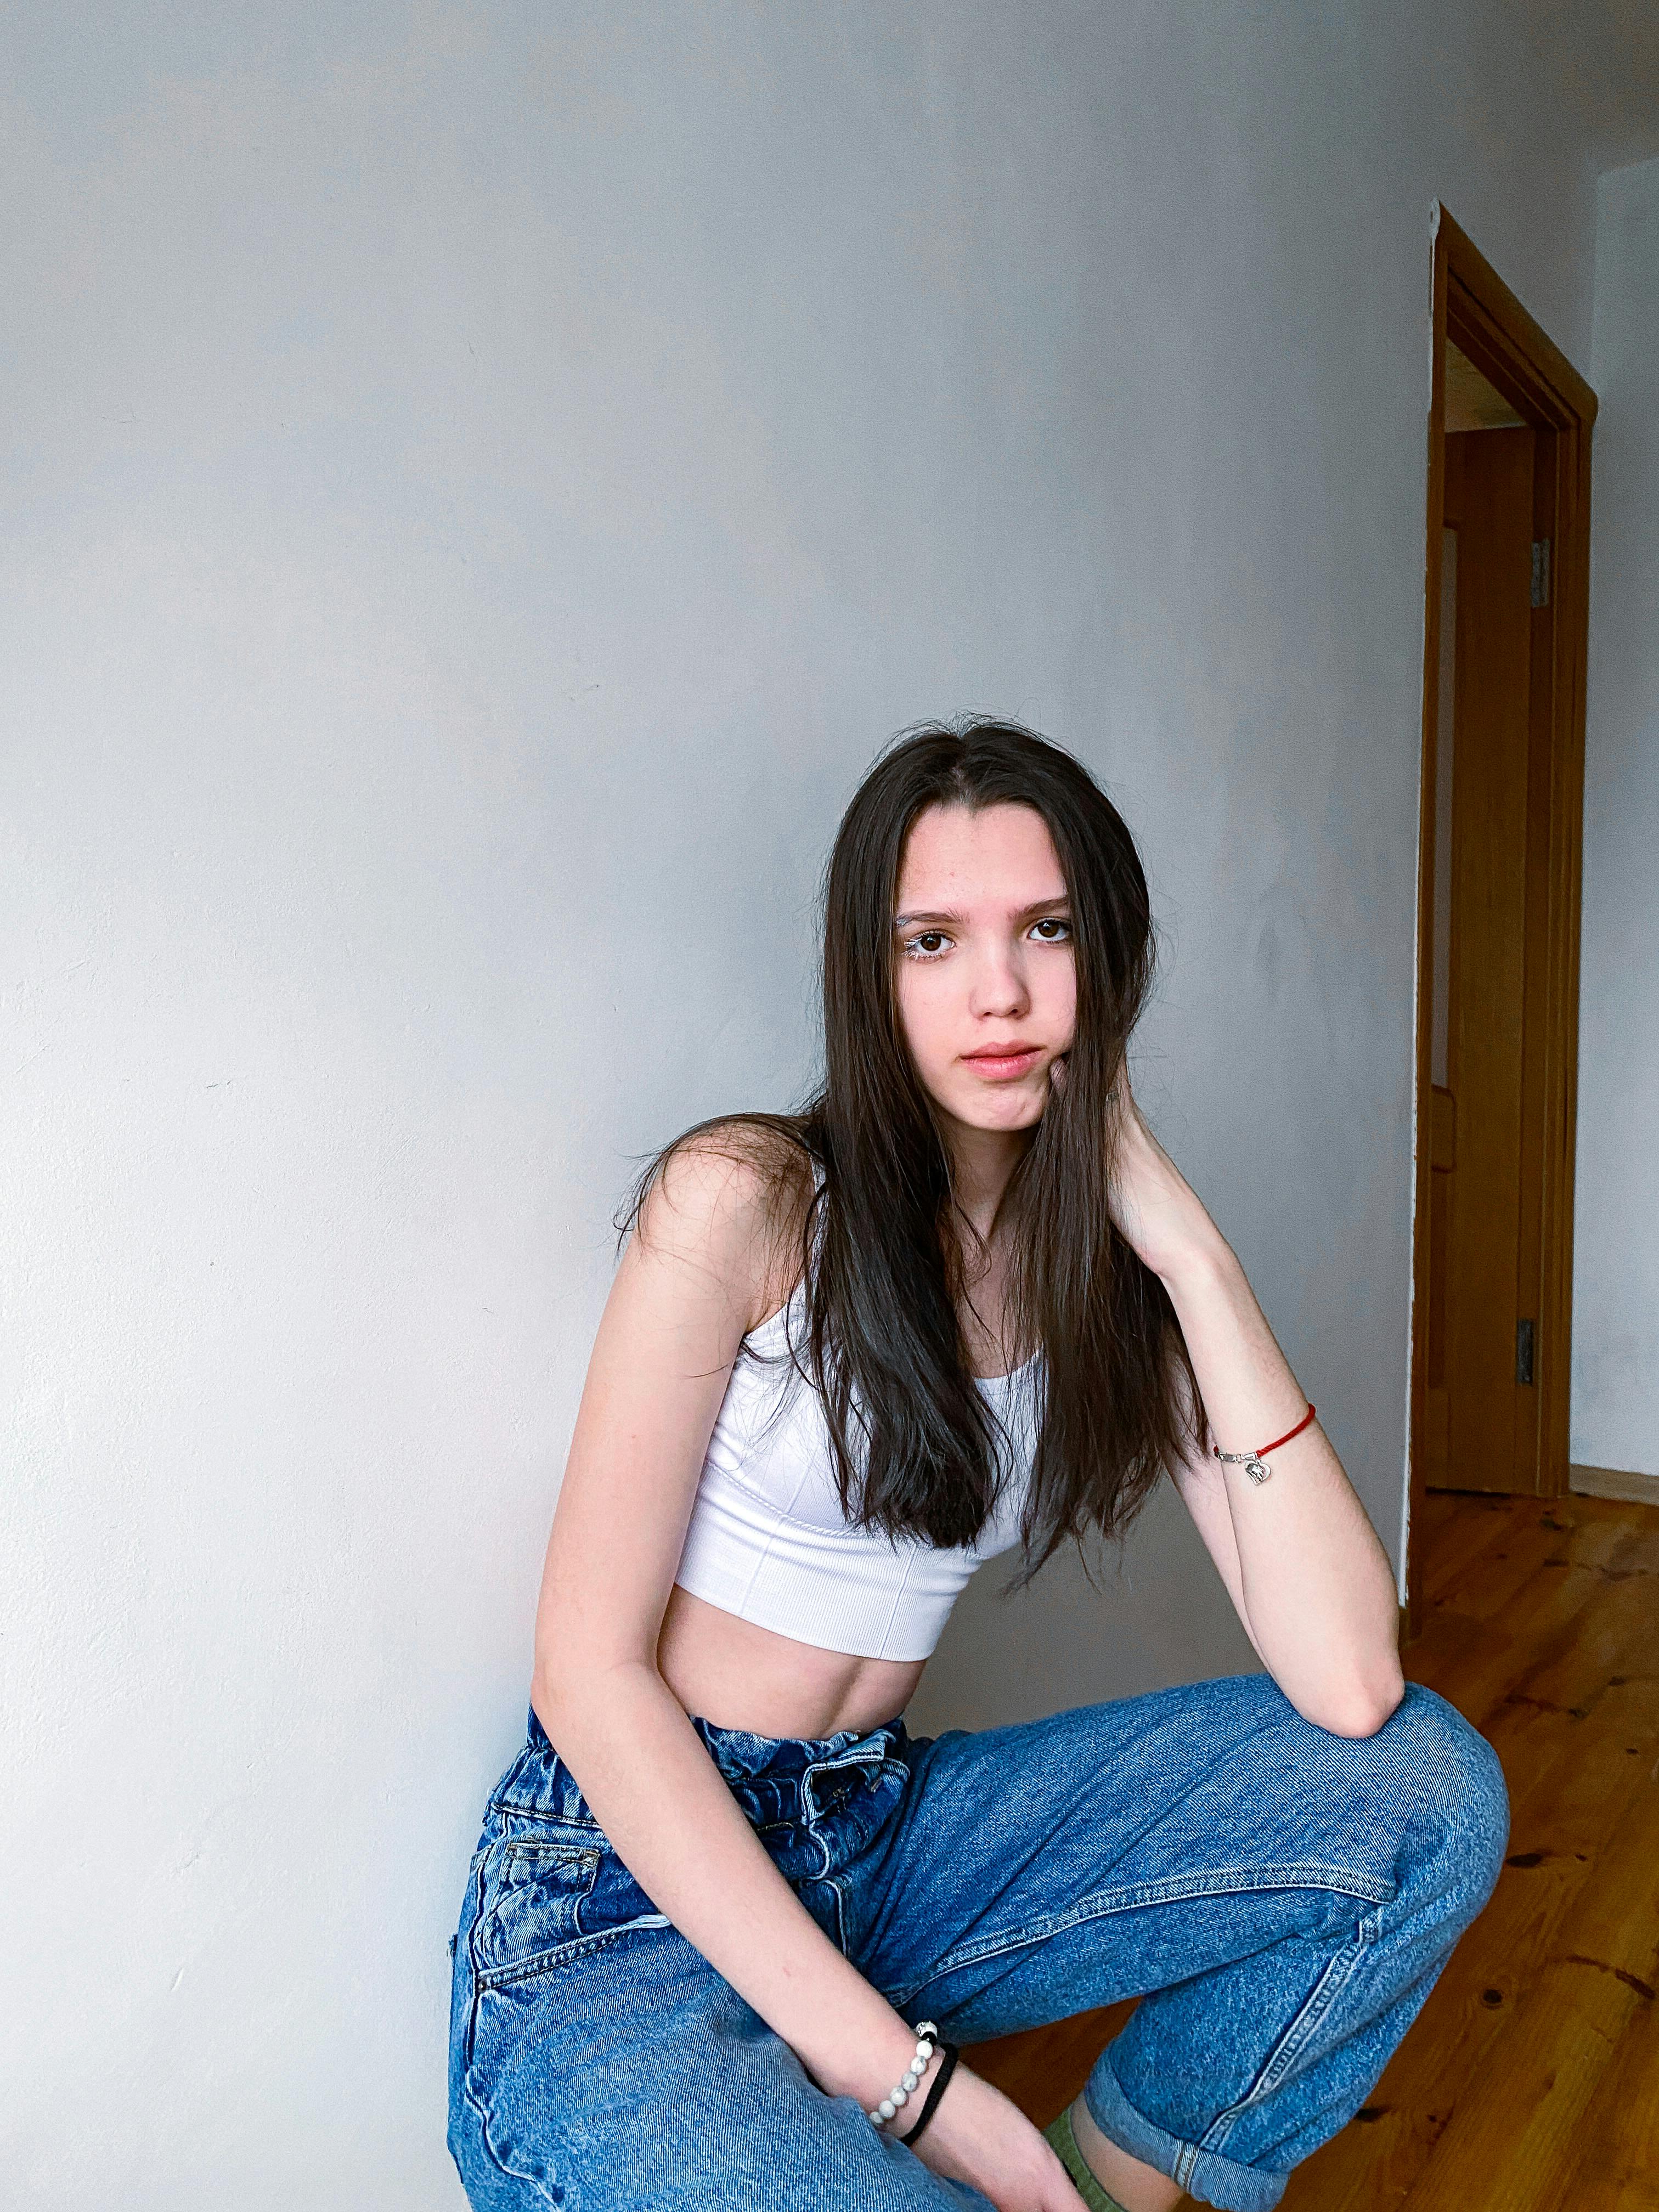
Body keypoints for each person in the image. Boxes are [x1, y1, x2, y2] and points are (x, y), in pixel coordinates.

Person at [446, 717, 1509, 2212]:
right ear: (870, 977)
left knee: (1429, 1794)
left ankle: (1106, 2181)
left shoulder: (1101, 1273)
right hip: (620, 1906)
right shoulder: (745, 1203)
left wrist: (1189, 1251)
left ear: (1107, 958)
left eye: (1047, 931)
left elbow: (1350, 1685)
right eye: (933, 941)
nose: (998, 992)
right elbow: (586, 1672)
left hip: (876, 1844)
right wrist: (927, 2095)